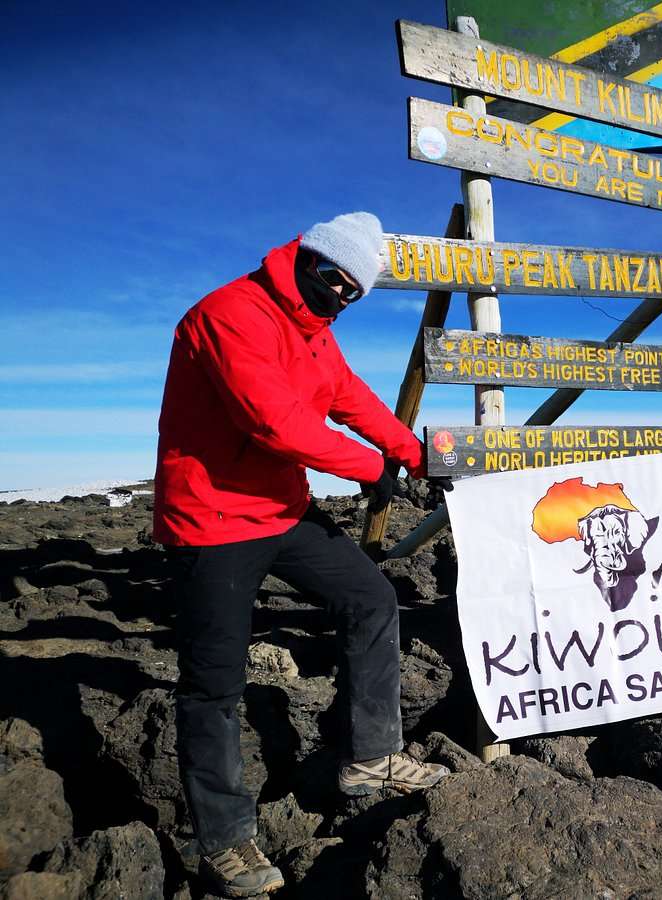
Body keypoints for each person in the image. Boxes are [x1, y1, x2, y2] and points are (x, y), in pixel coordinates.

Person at [154, 212, 450, 898]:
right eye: (333, 280)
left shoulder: (316, 332)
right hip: (212, 519)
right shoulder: (231, 312)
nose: (340, 297)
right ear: (306, 258)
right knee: (214, 685)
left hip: (282, 510)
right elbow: (270, 420)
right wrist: (368, 470)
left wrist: (414, 454)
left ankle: (370, 757)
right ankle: (223, 842)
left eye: (354, 293)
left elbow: (350, 400)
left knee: (371, 599)